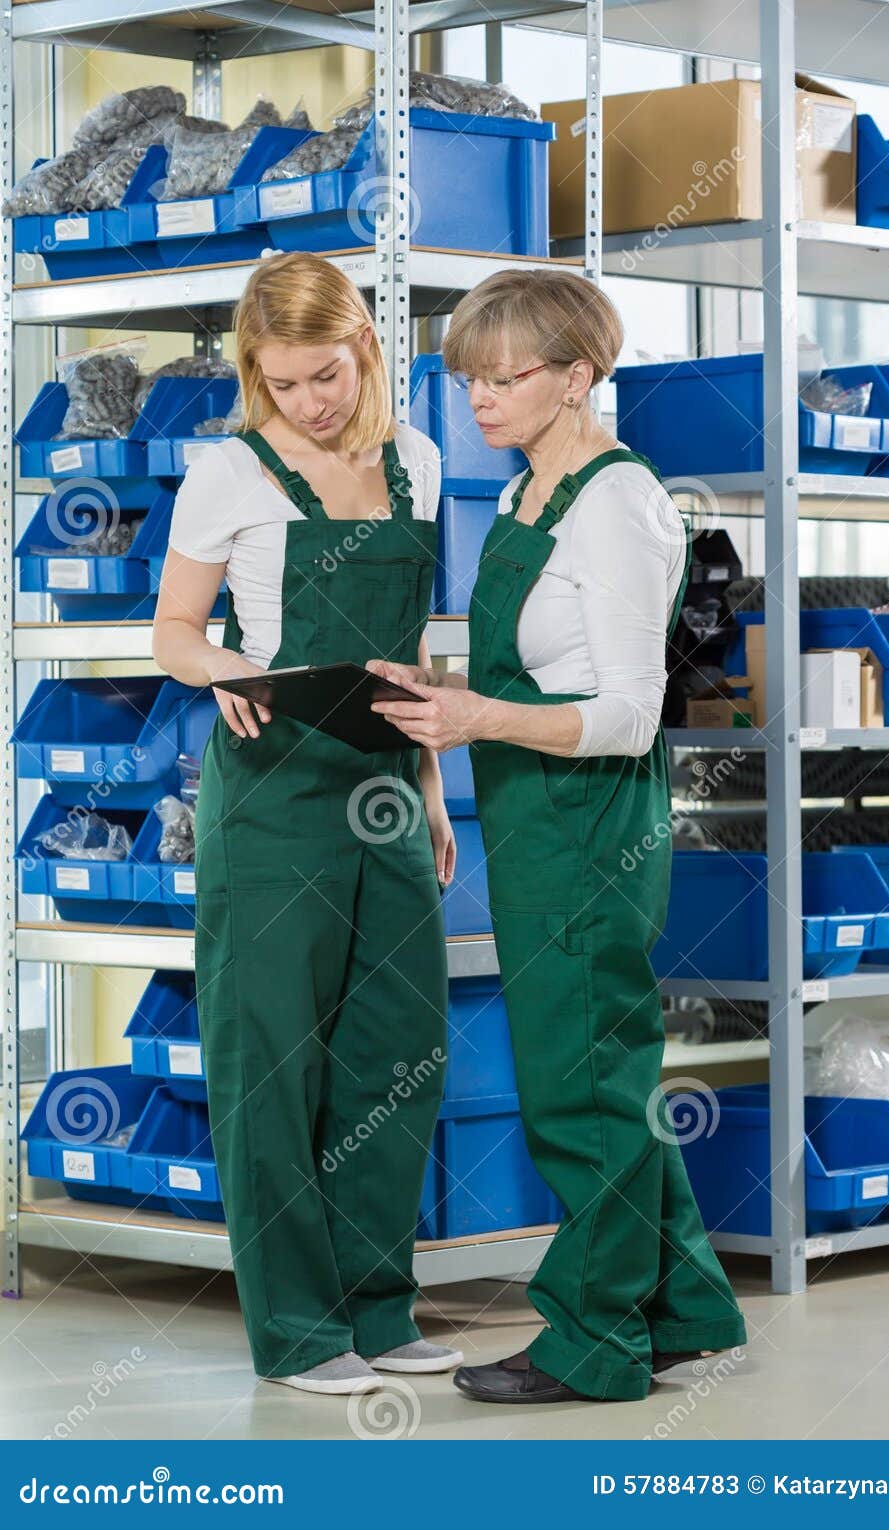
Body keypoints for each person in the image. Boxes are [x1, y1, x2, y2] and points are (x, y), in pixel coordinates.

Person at [369, 268, 746, 1405]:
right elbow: (537, 662)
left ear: (577, 376)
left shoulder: (616, 503)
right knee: (598, 1077)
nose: (477, 398)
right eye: (465, 377)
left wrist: (477, 715)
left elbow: (631, 710)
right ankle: (679, 1308)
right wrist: (442, 688)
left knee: (579, 1092)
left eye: (503, 376)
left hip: (589, 824)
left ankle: (590, 1343)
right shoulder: (530, 491)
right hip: (533, 816)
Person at [153, 251, 461, 1396]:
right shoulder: (226, 474)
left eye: (325, 375)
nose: (310, 401)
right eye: (283, 384)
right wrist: (224, 663)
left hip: (382, 789)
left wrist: (429, 787)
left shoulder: (418, 462)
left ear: (367, 348)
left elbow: (416, 647)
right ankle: (295, 1329)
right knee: (270, 1064)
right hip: (273, 784)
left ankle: (378, 1309)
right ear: (255, 377)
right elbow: (173, 627)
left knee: (395, 1048)